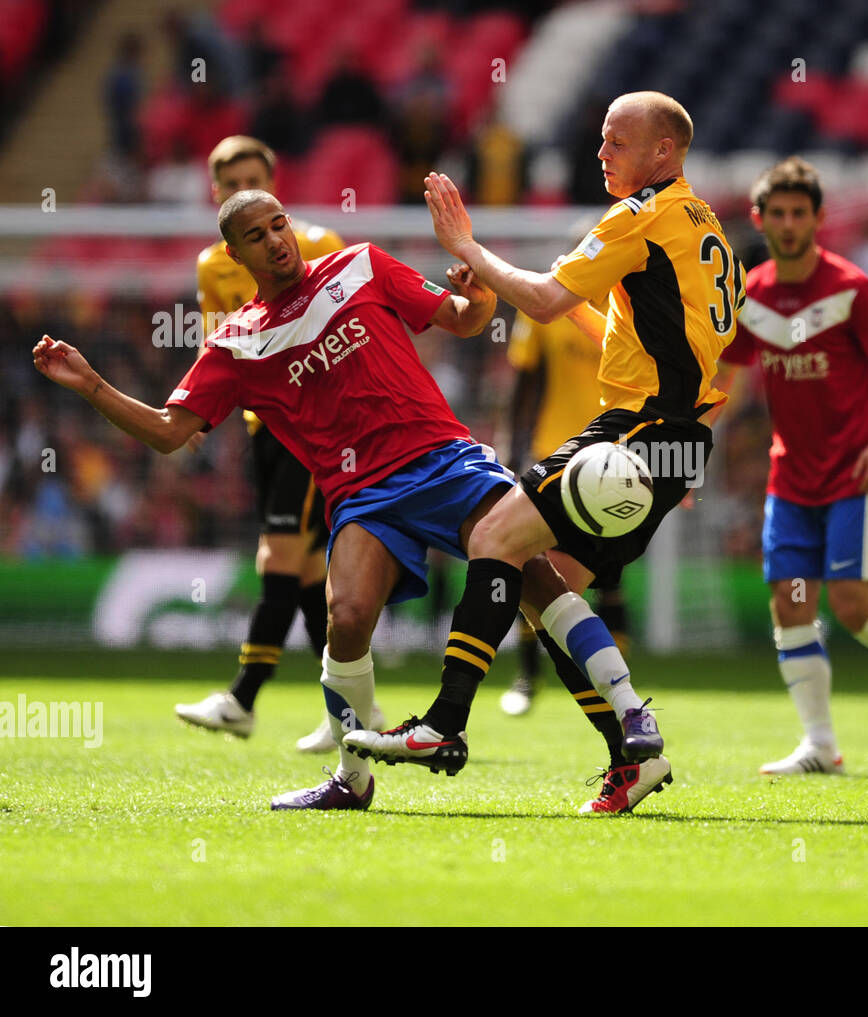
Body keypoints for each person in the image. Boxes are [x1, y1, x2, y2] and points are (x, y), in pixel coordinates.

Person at [32, 190, 627, 813]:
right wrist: (92, 384)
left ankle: (631, 727)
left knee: (540, 582)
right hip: (363, 497)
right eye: (257, 236)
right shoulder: (235, 344)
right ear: (236, 256)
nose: (276, 240)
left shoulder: (359, 265)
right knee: (344, 618)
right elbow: (168, 431)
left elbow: (462, 317)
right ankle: (352, 778)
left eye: (279, 224)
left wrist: (478, 296)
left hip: (444, 460)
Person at [343, 91, 744, 815]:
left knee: (495, 536)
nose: (601, 153)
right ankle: (632, 743)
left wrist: (466, 248)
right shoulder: (702, 220)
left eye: (616, 141)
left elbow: (545, 300)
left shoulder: (639, 216)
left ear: (664, 152)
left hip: (638, 429)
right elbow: (627, 325)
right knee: (545, 583)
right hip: (681, 444)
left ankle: (444, 722)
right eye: (600, 139)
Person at [716, 157, 868, 776]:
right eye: (779, 213)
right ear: (760, 219)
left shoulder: (851, 287)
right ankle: (820, 744)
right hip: (789, 478)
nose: (790, 223)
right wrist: (690, 447)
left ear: (819, 218)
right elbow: (728, 375)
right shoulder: (754, 297)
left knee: (851, 603)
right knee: (791, 604)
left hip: (855, 472)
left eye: (801, 212)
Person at [173, 135, 385, 753]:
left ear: (273, 183)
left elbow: (350, 329)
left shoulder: (319, 246)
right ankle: (351, 710)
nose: (242, 189)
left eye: (253, 180)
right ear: (215, 193)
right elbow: (219, 347)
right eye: (231, 182)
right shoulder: (214, 267)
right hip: (261, 428)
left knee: (280, 558)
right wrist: (195, 412)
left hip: (313, 427)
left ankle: (244, 696)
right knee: (306, 569)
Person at [499, 299, 631, 718]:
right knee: (534, 566)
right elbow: (525, 380)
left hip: (614, 461)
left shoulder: (628, 306)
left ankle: (618, 684)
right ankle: (527, 676)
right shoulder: (545, 306)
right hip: (552, 454)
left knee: (609, 579)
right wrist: (510, 445)